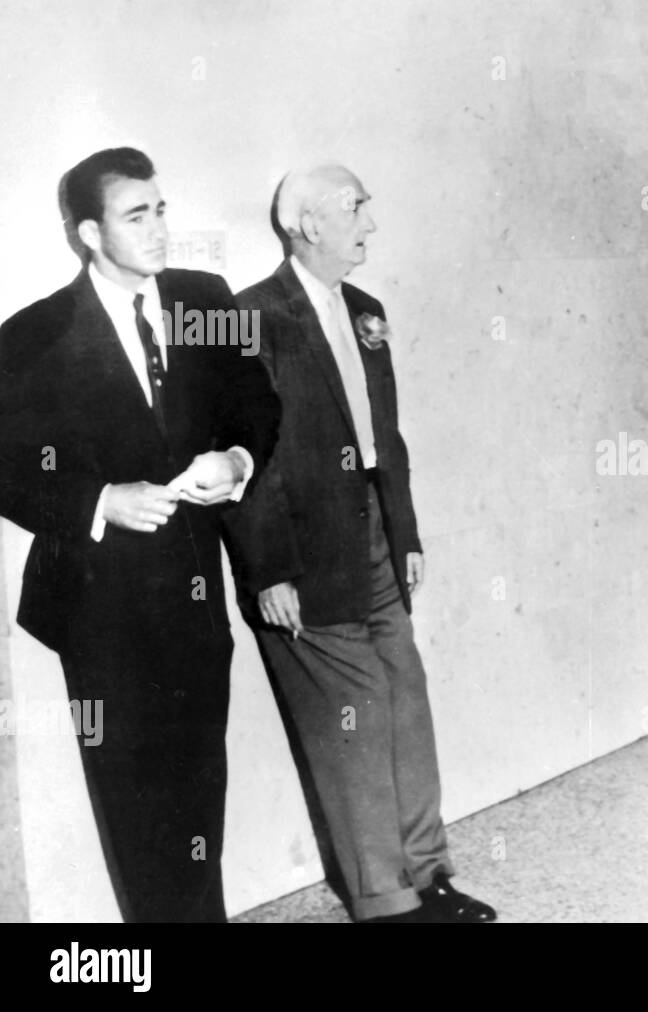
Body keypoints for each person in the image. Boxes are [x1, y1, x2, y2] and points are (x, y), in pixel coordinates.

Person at [0, 147, 281, 921]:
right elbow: (9, 467)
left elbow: (256, 403)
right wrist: (98, 499)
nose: (158, 229)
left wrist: (235, 458)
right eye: (136, 216)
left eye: (161, 210)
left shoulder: (203, 296)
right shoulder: (34, 334)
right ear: (89, 232)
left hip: (195, 601)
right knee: (137, 807)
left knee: (199, 794)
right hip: (102, 613)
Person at [223, 164, 495, 924]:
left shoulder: (367, 310)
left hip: (374, 535)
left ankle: (429, 876)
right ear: (308, 224)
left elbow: (385, 437)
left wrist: (402, 534)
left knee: (405, 701)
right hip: (302, 553)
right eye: (354, 209)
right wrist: (269, 567)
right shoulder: (253, 319)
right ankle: (386, 902)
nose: (370, 223)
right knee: (352, 716)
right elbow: (246, 455)